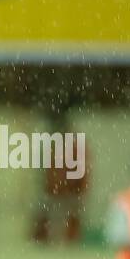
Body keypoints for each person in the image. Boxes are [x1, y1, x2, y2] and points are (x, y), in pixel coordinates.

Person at [31, 105, 90, 244]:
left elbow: (81, 172)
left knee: (70, 222)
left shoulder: (74, 146)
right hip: (55, 192)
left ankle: (69, 244)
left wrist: (78, 192)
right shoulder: (55, 146)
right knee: (45, 220)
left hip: (69, 193)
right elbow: (50, 172)